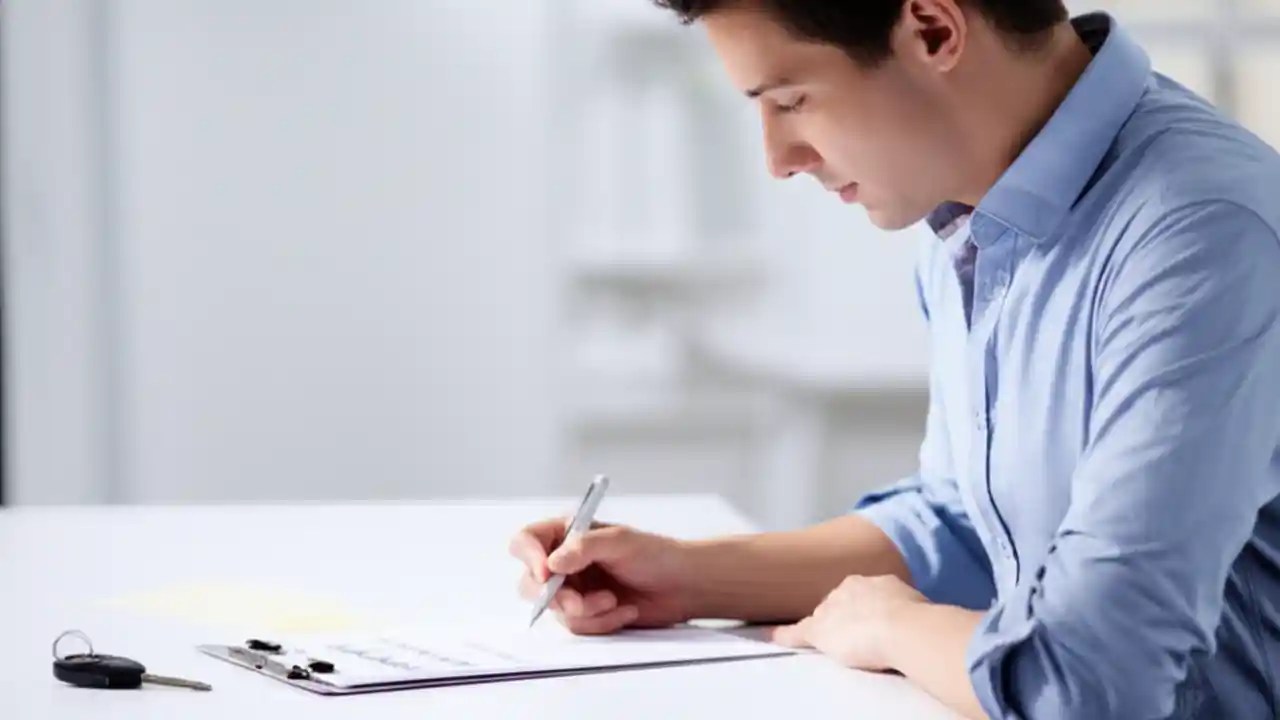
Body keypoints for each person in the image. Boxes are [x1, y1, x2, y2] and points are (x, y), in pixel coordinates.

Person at [509, 2, 1280, 717]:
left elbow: (1091, 684)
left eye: (790, 101)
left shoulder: (1200, 232)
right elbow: (973, 529)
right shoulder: (974, 212)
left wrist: (897, 629)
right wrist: (686, 577)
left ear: (935, 31)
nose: (777, 159)